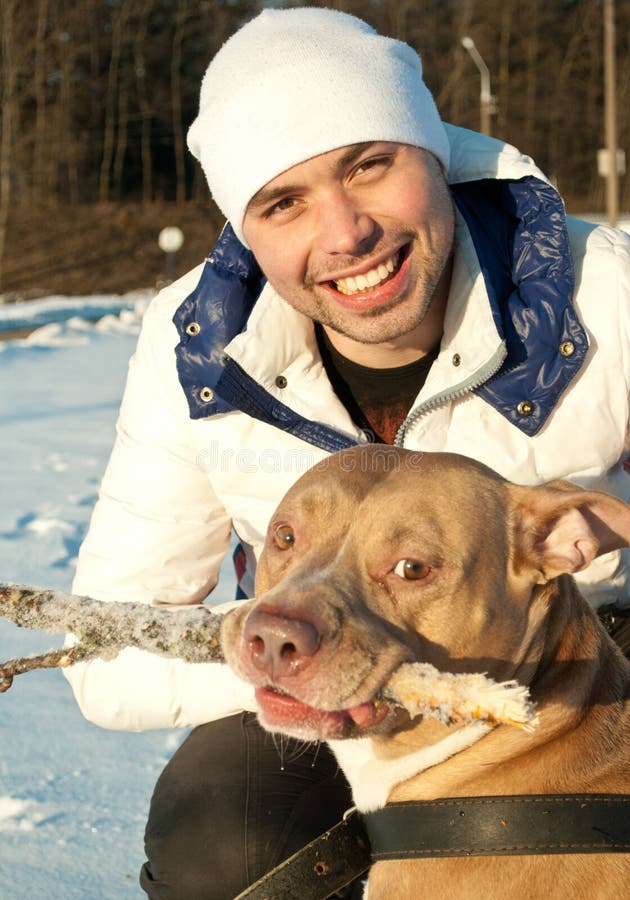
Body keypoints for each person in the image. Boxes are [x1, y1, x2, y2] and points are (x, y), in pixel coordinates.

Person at [64, 6, 630, 898]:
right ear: (244, 230)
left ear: (432, 153)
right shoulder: (198, 349)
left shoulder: (607, 296)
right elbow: (106, 655)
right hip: (306, 669)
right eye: (283, 202)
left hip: (573, 677)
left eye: (369, 165)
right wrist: (295, 657)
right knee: (220, 839)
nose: (346, 234)